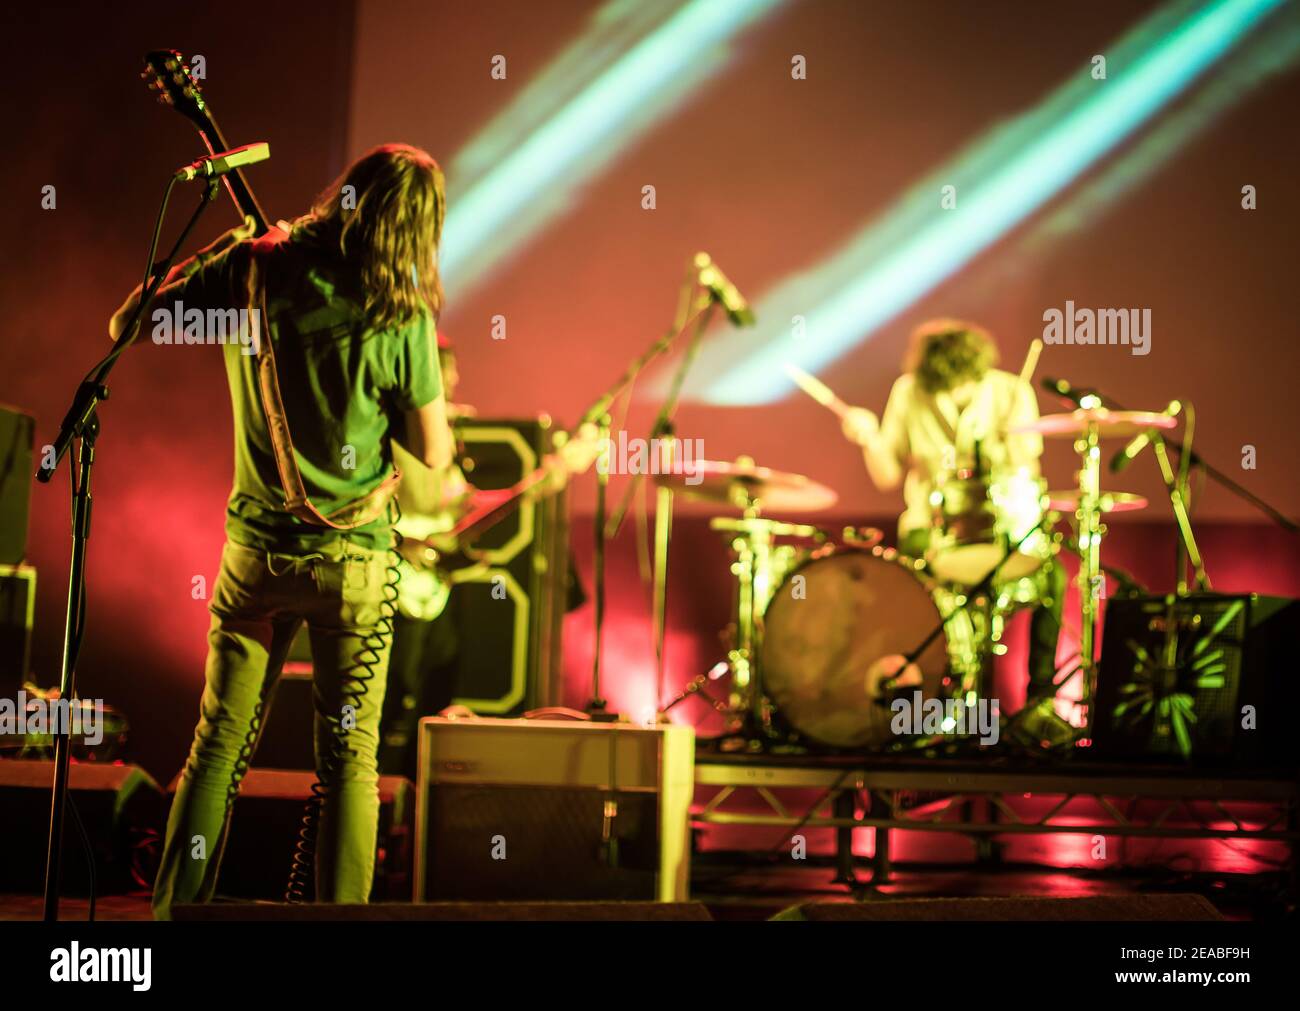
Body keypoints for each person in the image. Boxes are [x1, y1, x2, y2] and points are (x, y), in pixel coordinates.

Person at [108, 143, 455, 917]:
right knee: (349, 763)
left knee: (218, 748)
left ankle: (171, 914)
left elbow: (127, 321)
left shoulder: (256, 268)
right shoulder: (400, 310)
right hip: (355, 564)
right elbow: (433, 452)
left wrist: (228, 250)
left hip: (255, 557)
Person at [840, 318, 1072, 746]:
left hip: (1002, 530)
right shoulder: (909, 391)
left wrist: (1006, 446)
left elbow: (1027, 467)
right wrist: (869, 437)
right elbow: (887, 474)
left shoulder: (1010, 392)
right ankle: (926, 711)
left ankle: (1041, 703)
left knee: (1052, 578)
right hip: (931, 531)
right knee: (908, 594)